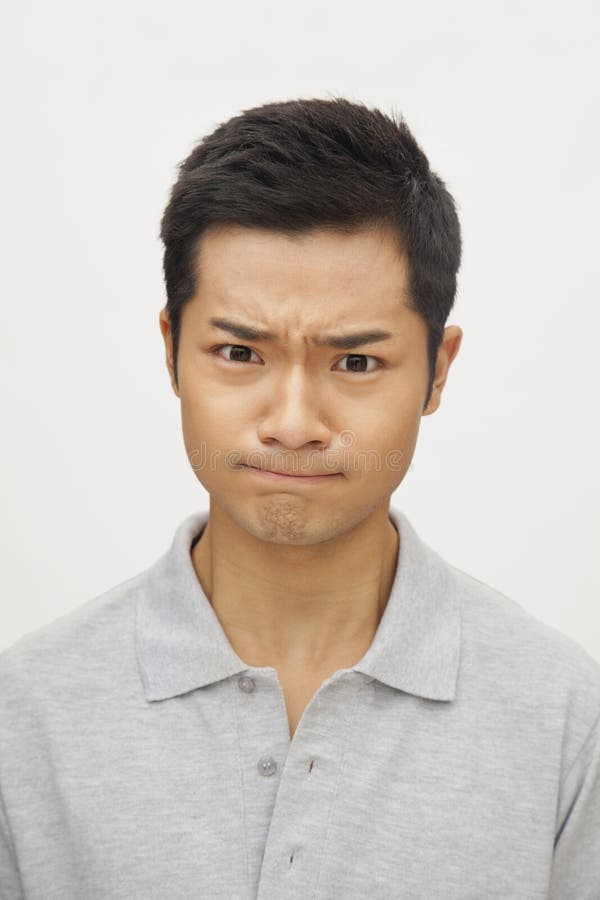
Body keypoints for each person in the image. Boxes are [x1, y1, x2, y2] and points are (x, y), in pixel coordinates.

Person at [1, 98, 598, 900]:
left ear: (439, 369)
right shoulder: (25, 714)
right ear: (173, 352)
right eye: (239, 351)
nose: (292, 424)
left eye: (354, 363)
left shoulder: (565, 717)